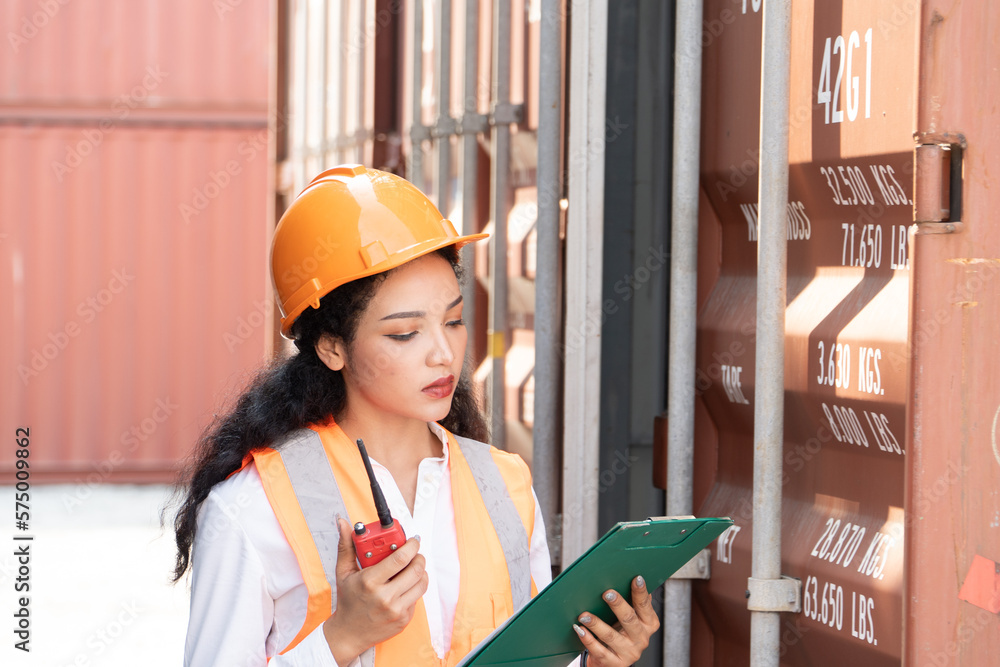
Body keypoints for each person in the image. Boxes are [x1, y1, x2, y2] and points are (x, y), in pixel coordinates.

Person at [172, 165, 659, 666]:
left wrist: (596, 662)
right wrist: (341, 638)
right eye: (405, 333)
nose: (444, 354)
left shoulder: (505, 485)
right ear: (332, 347)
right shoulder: (252, 507)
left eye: (454, 321)